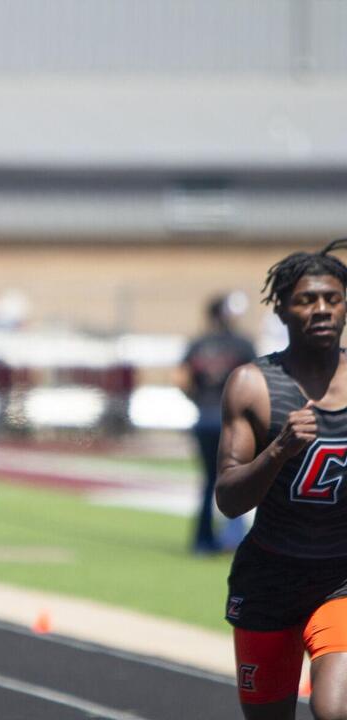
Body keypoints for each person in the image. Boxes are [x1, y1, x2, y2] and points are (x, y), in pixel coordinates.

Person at [217, 238, 347, 719]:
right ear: (282, 309)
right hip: (269, 575)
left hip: (340, 576)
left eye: (332, 299)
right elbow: (229, 499)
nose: (321, 310)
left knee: (336, 709)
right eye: (306, 299)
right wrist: (279, 450)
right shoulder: (253, 384)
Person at [177, 294, 256, 554]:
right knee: (237, 478)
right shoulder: (243, 344)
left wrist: (198, 400)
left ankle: (202, 541)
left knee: (208, 481)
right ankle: (233, 540)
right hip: (233, 421)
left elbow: (181, 380)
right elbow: (254, 381)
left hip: (204, 419)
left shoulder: (198, 344)